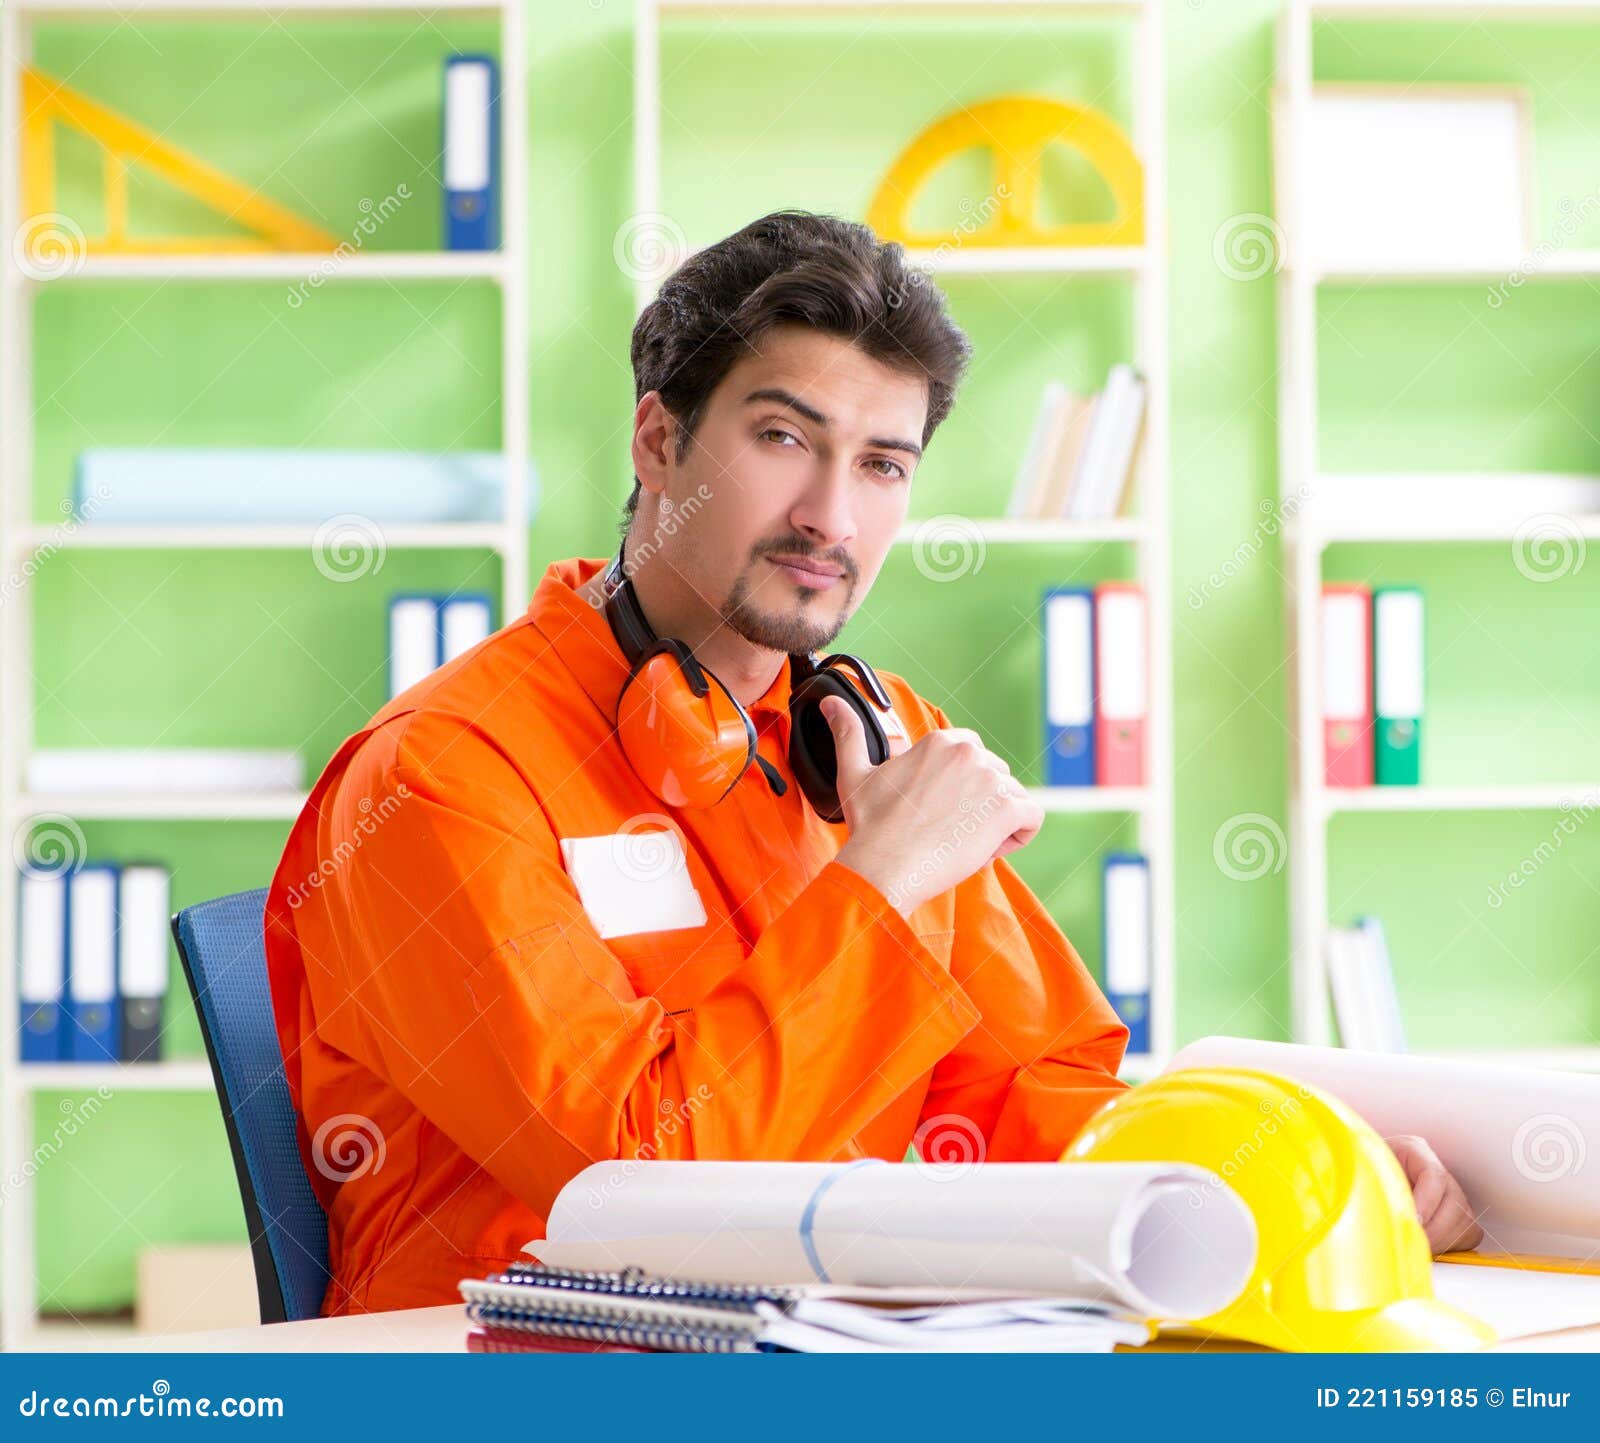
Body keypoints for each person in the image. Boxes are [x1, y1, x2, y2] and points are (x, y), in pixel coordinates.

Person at [265, 210, 1477, 1317]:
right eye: (785, 437)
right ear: (657, 439)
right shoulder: (441, 776)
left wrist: (1302, 1183)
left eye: (884, 464)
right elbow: (631, 1187)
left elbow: (1034, 1098)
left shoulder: (866, 732)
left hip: (815, 1340)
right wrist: (881, 879)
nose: (831, 517)